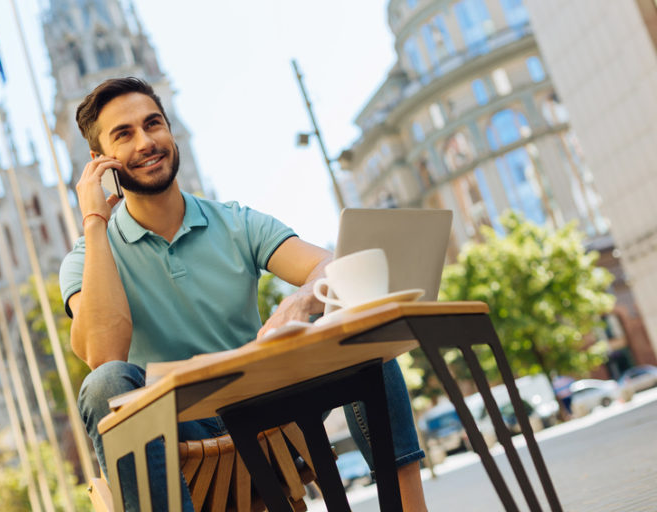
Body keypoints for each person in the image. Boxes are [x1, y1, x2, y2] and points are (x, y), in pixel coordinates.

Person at [59, 77, 428, 511]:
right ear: (99, 161)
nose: (145, 141)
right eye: (124, 134)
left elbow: (335, 266)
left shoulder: (235, 221)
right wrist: (93, 220)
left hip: (271, 416)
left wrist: (303, 300)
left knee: (359, 321)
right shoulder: (88, 256)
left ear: (170, 130)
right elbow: (104, 356)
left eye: (153, 124)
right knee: (104, 383)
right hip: (176, 446)